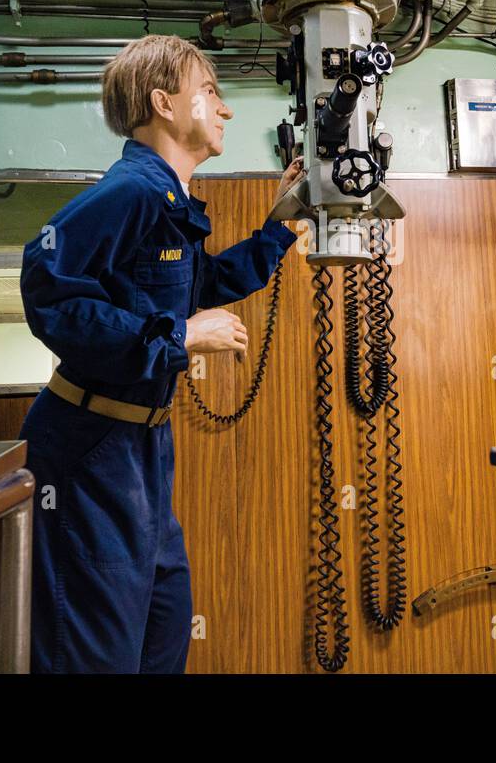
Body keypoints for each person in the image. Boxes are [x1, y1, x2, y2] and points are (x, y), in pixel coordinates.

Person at [18, 34, 303, 673]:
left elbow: (195, 286)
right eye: (210, 92)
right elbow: (47, 289)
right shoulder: (134, 191)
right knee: (97, 654)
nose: (225, 109)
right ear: (164, 103)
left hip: (143, 448)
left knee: (162, 630)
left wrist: (278, 230)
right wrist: (179, 336)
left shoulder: (168, 199)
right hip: (90, 446)